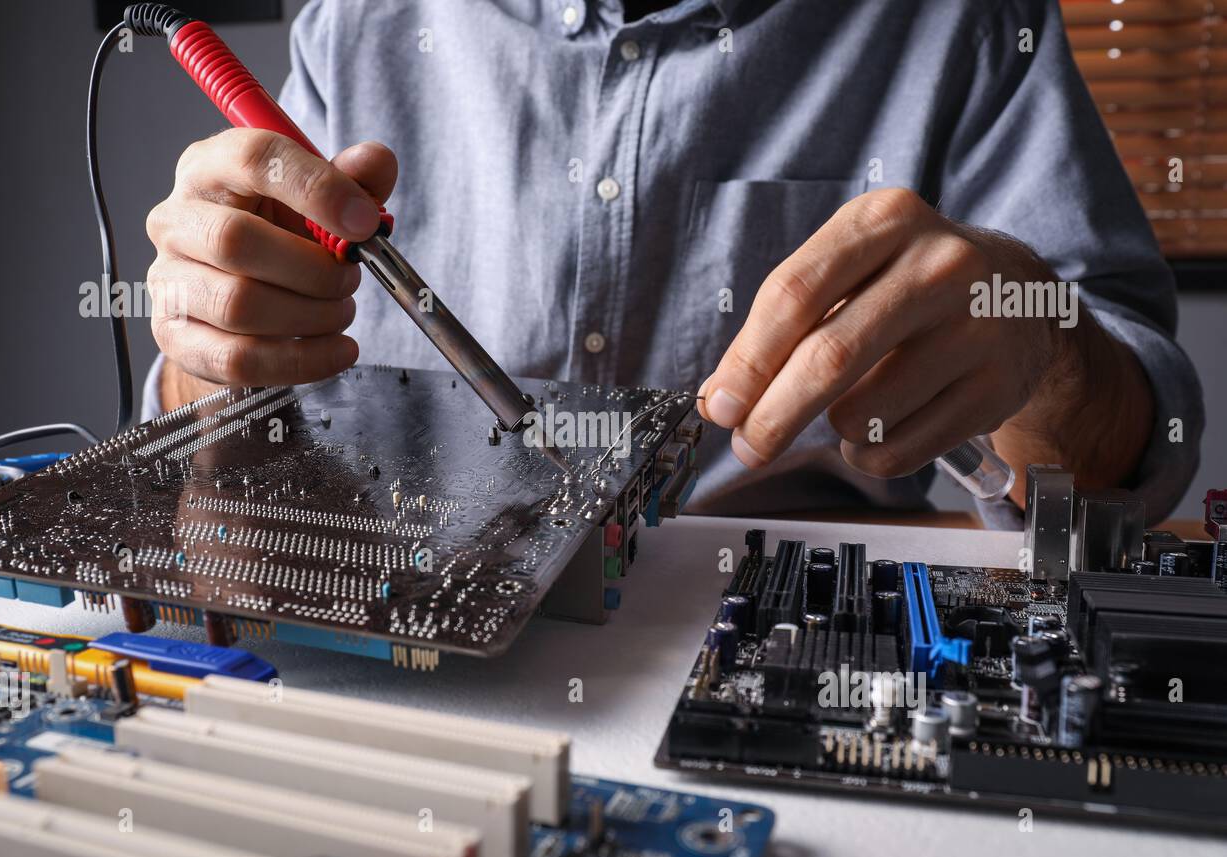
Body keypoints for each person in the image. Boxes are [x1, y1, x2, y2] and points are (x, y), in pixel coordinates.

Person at [142, 0, 1204, 528]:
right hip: (416, 640)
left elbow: (1136, 454)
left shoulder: (962, 23)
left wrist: (1045, 347)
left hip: (779, 669)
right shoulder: (360, 22)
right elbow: (217, 449)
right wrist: (215, 358)